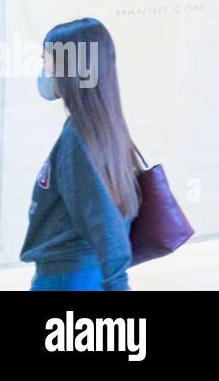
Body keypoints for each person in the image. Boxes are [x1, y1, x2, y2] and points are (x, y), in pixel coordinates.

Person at [21, 18, 140, 291]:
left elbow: (105, 219)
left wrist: (118, 284)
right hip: (75, 274)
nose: (43, 72)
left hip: (71, 278)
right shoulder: (101, 128)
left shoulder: (80, 138)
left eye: (46, 61)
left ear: (69, 68)